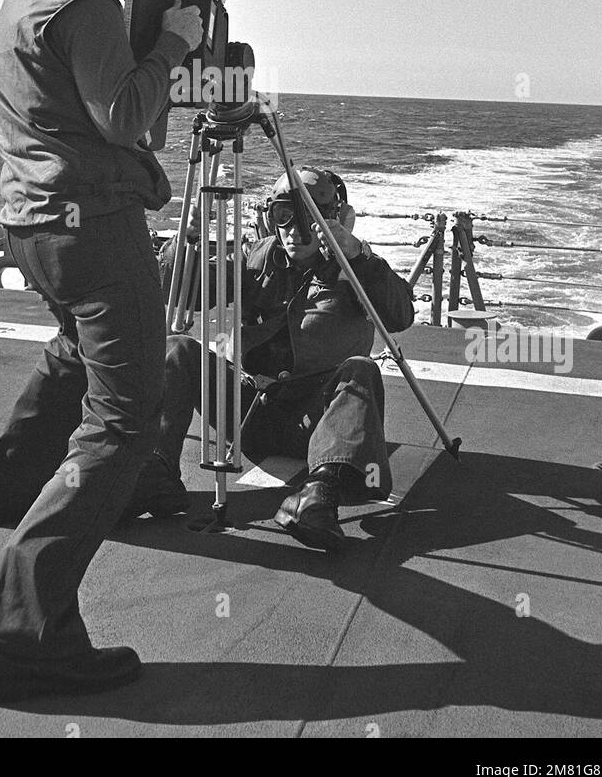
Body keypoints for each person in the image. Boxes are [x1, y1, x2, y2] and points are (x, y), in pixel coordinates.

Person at [0, 0, 204, 704]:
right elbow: (123, 116)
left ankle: (11, 491)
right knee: (124, 421)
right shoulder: (92, 9)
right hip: (95, 230)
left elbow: (74, 90)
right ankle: (21, 630)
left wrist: (152, 23)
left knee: (74, 350)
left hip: (31, 225)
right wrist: (173, 42)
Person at [128, 167, 415, 550]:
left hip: (317, 423)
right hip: (249, 412)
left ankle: (318, 496)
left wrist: (359, 257)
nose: (296, 229)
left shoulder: (356, 268)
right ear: (270, 217)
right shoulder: (256, 261)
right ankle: (157, 473)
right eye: (285, 214)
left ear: (335, 218)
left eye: (311, 216)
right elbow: (180, 289)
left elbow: (401, 316)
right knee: (178, 349)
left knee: (361, 371)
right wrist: (189, 239)